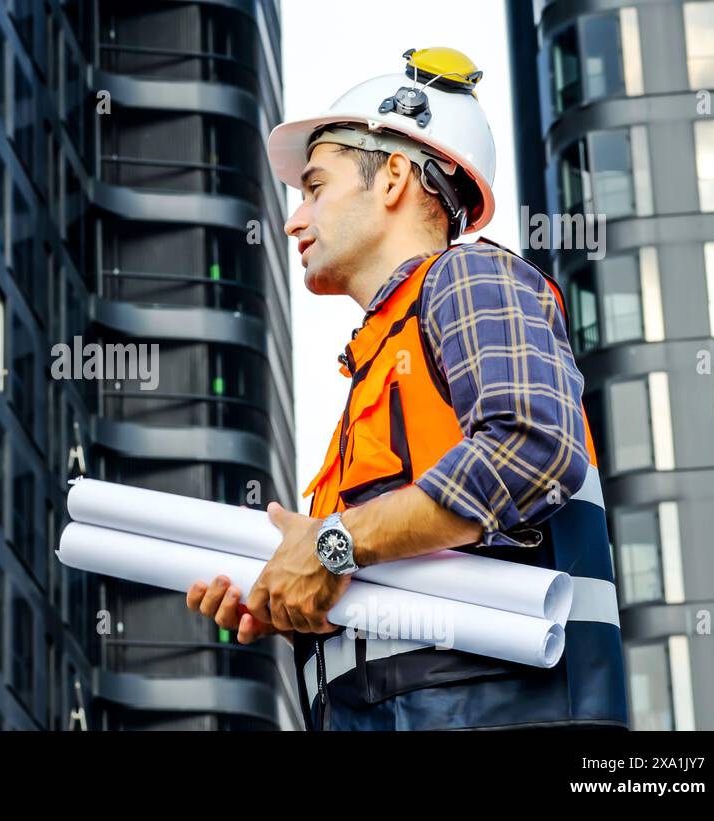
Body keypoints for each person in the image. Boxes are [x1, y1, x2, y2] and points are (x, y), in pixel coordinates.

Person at [186, 49, 628, 730]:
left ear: (393, 176)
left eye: (315, 188)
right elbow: (399, 563)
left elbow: (532, 445)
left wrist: (331, 546)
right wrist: (291, 598)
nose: (292, 220)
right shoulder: (377, 367)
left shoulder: (472, 279)